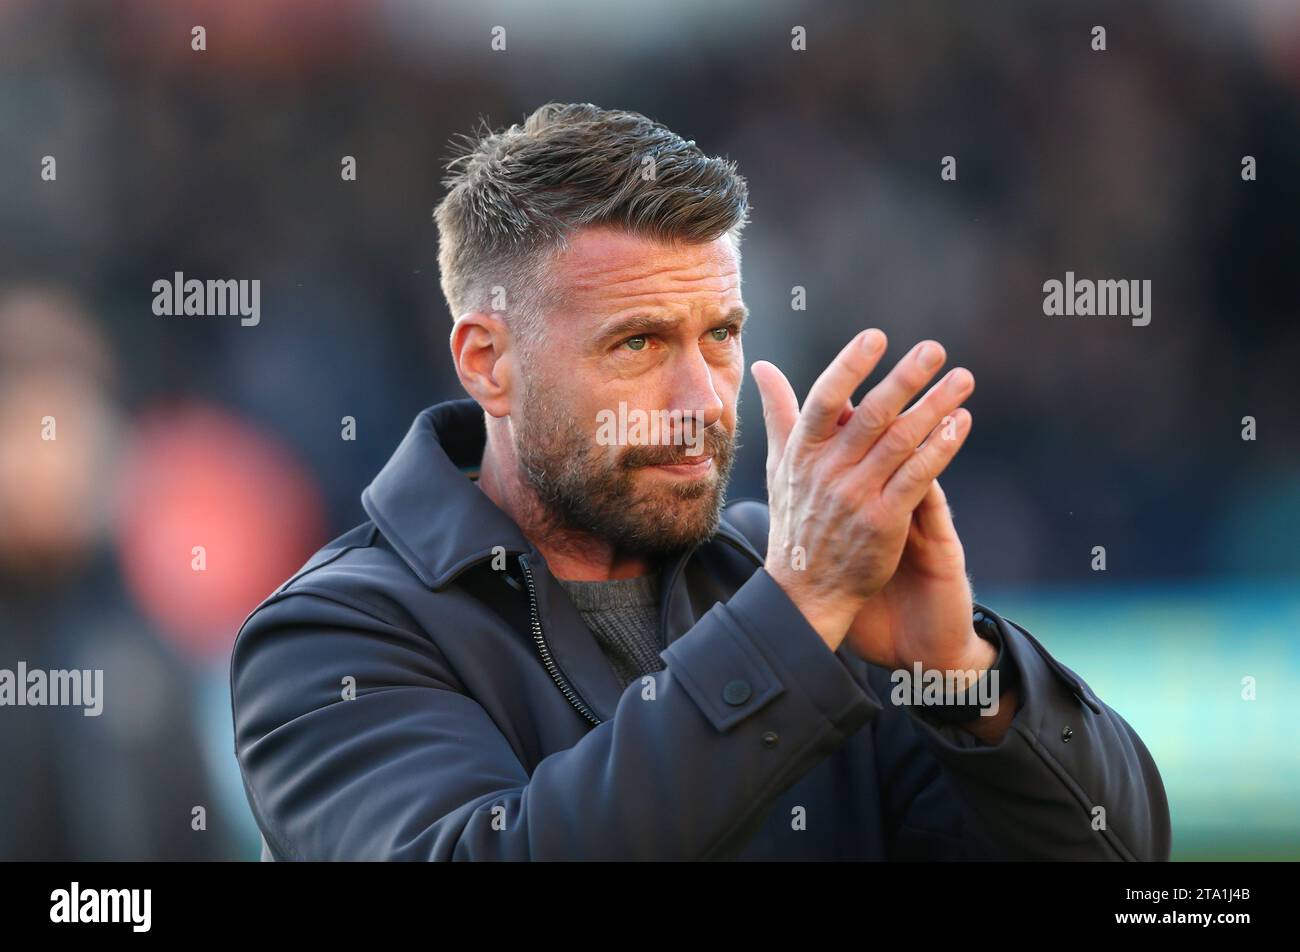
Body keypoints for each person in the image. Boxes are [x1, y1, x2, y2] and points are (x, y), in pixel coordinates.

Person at [229, 102, 1170, 861]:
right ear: (488, 363)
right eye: (637, 343)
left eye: (719, 335)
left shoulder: (799, 581)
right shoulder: (331, 637)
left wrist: (962, 676)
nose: (700, 399)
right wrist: (794, 621)